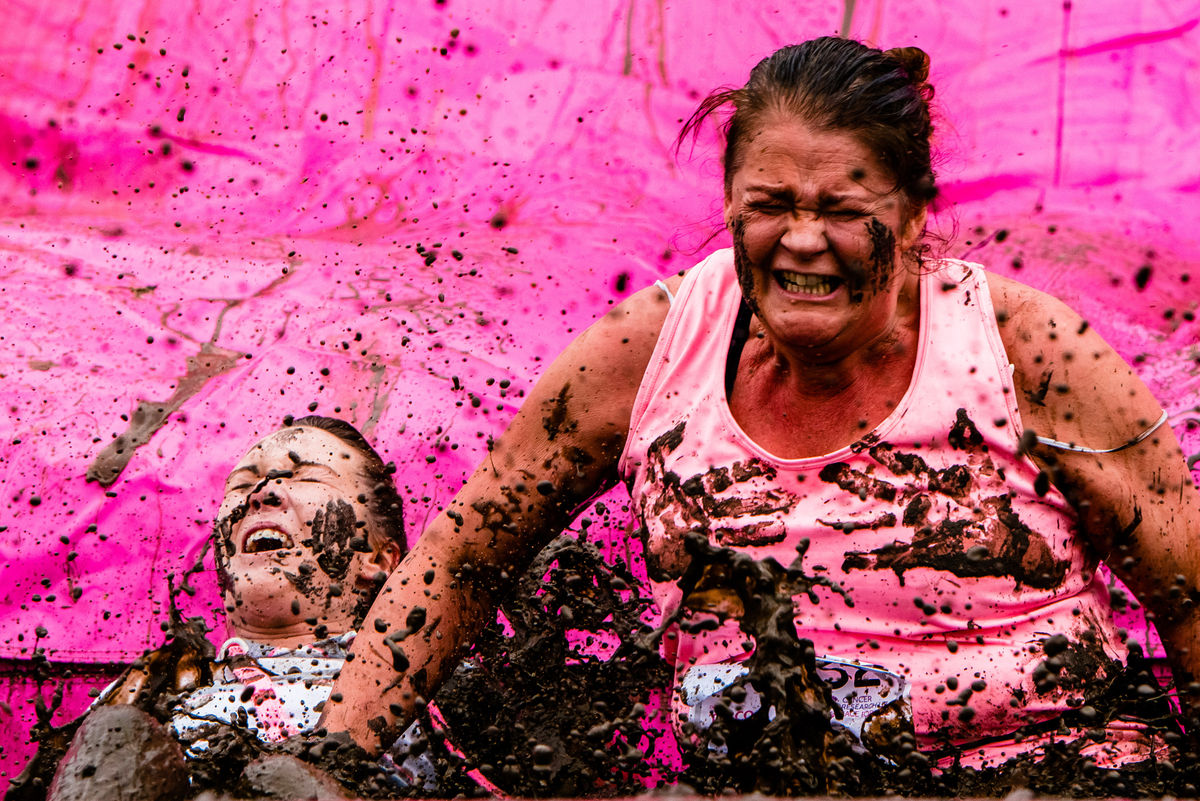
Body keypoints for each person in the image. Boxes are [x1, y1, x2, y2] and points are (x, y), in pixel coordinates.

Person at [323, 37, 1200, 780]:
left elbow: (1190, 592)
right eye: (771, 206)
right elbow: (465, 553)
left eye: (843, 210)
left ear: (915, 211)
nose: (803, 239)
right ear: (732, 208)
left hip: (1043, 773)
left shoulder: (1023, 352)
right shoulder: (655, 349)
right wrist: (326, 765)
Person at [35, 416, 413, 799]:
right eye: (243, 484)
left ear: (378, 559)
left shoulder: (420, 688)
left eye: (308, 477)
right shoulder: (148, 692)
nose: (262, 493)